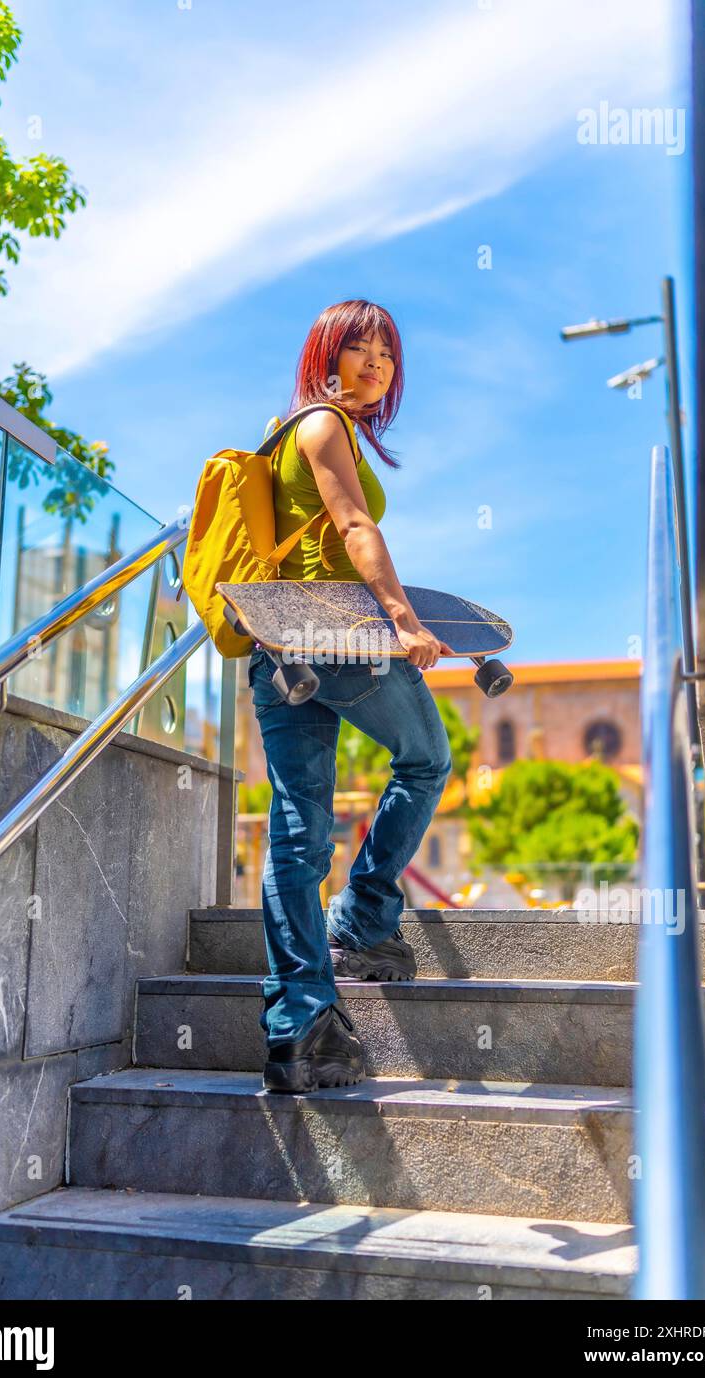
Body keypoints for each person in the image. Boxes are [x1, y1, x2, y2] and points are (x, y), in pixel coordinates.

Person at [248, 299, 454, 1094]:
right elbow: (355, 525)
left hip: (277, 648)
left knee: (298, 836)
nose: (374, 363)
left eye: (386, 353)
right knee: (426, 760)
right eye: (357, 348)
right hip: (337, 637)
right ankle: (365, 919)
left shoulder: (282, 433)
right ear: (324, 355)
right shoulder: (323, 424)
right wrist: (402, 619)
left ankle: (299, 1024)